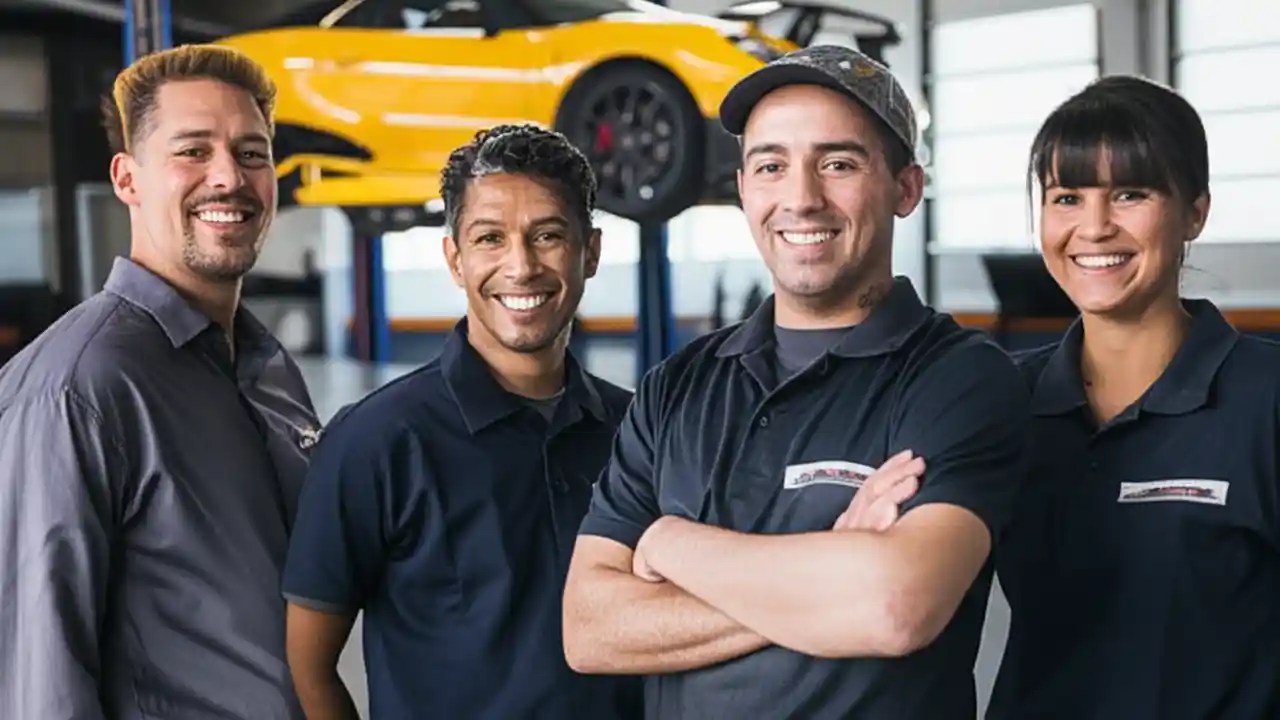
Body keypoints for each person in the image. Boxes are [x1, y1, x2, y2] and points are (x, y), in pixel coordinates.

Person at [562, 45, 1032, 719]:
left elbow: (896, 607)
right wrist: (832, 574)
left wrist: (668, 543)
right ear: (745, 189)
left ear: (905, 188)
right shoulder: (677, 387)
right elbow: (590, 628)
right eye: (772, 166)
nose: (801, 199)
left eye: (838, 163)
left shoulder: (958, 378)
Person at [280, 124, 641, 720]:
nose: (520, 266)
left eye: (547, 235)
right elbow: (311, 666)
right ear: (455, 258)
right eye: (490, 238)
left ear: (591, 252)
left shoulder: (637, 433)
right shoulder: (376, 441)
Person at [0, 45, 319, 719]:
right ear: (127, 178)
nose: (228, 177)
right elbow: (40, 674)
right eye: (192, 151)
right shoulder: (76, 388)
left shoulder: (269, 370)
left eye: (252, 153)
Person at [980, 76, 1280, 719]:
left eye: (1130, 193)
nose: (1094, 227)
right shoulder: (998, 402)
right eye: (1066, 197)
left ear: (1194, 210)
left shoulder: (1266, 401)